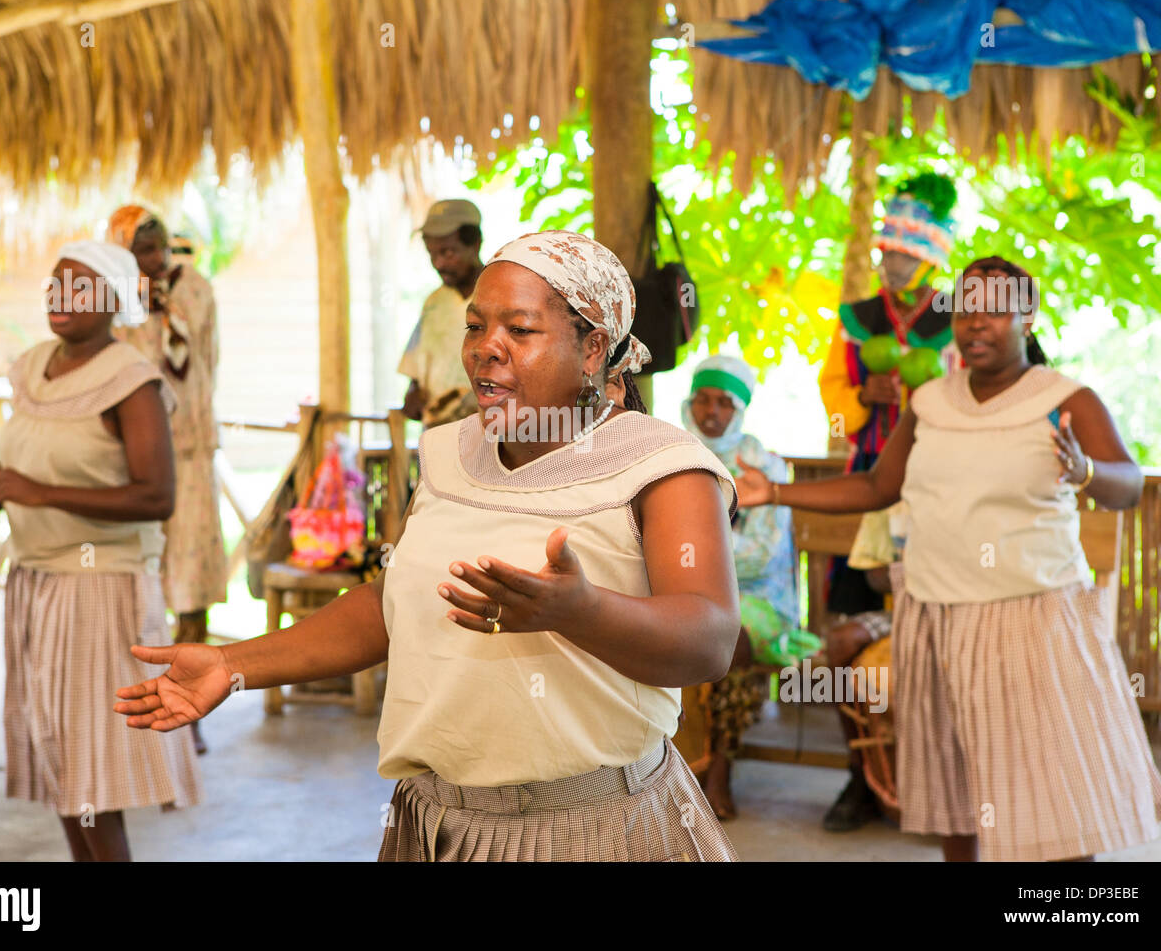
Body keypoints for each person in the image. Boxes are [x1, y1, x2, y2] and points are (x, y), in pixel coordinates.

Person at [116, 230, 742, 862]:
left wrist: (579, 612)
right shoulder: (450, 452)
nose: (485, 350)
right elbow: (393, 603)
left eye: (520, 331)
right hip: (436, 826)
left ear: (593, 349)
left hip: (595, 828)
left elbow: (710, 638)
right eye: (475, 327)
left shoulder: (661, 465)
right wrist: (233, 664)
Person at [735, 257, 1161, 861]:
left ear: (1027, 316)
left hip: (1034, 619)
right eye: (966, 309)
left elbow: (1128, 485)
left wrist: (1087, 470)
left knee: (1054, 792)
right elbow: (875, 488)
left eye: (995, 310)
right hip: (936, 615)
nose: (976, 324)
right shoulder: (931, 402)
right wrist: (775, 493)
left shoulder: (1066, 398)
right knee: (957, 791)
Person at [0, 241, 202, 861]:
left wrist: (42, 494)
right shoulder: (34, 367)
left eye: (81, 289)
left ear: (114, 301)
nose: (64, 301)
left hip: (100, 587)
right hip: (36, 581)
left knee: (92, 763)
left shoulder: (131, 382)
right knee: (58, 753)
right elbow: (16, 460)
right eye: (56, 287)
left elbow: (156, 495)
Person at [815, 171, 960, 831]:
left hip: (940, 486)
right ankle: (859, 779)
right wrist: (856, 406)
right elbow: (833, 410)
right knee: (850, 625)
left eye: (903, 254)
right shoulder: (858, 322)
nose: (890, 263)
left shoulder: (962, 322)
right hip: (868, 485)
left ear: (929, 257)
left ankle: (939, 782)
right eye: (886, 253)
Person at [109, 206, 227, 756]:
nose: (152, 258)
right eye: (139, 249)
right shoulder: (112, 302)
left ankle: (188, 703)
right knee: (137, 574)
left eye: (156, 246)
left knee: (192, 575)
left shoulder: (195, 290)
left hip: (190, 451)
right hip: (132, 458)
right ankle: (136, 700)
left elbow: (198, 360)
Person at [680, 355, 812, 820]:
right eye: (702, 400)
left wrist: (684, 551)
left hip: (756, 600)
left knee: (725, 642)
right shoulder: (671, 454)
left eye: (724, 404)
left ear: (741, 410)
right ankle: (668, 767)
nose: (711, 412)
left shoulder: (763, 467)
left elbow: (759, 556)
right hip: (682, 592)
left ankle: (717, 769)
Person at [399, 199, 485, 427]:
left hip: (485, 428)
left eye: (448, 252)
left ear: (475, 244)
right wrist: (413, 393)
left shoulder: (499, 297)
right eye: (432, 254)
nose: (439, 263)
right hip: (437, 430)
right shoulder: (434, 303)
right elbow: (416, 370)